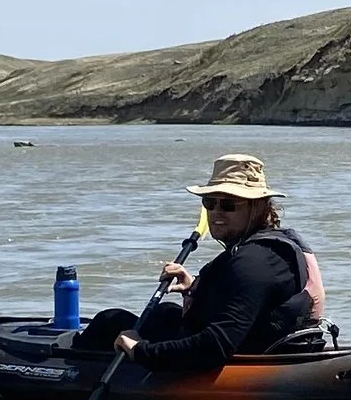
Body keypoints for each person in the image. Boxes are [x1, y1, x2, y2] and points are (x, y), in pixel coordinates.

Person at [77, 154, 329, 374]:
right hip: (256, 339)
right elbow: (249, 300)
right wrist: (196, 288)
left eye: (229, 204)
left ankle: (67, 372)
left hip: (242, 356)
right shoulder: (267, 251)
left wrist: (140, 351)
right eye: (210, 203)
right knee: (162, 312)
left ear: (260, 206)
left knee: (109, 321)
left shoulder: (254, 262)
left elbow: (216, 345)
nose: (217, 213)